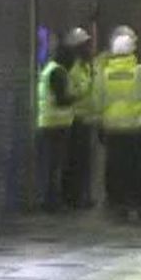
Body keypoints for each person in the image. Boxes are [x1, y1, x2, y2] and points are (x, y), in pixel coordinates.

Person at [93, 33, 141, 220]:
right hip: (137, 129)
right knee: (139, 167)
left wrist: (100, 124)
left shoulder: (103, 75)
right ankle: (138, 203)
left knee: (115, 167)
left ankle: (116, 202)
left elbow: (97, 102)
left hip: (113, 129)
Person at [33, 34, 79, 212]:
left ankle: (50, 200)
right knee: (54, 166)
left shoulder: (50, 69)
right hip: (55, 126)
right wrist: (76, 97)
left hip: (49, 124)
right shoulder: (58, 72)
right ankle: (51, 202)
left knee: (51, 166)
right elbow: (62, 99)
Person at [62, 27, 96, 209]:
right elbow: (72, 93)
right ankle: (73, 198)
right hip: (76, 121)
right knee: (76, 161)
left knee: (85, 162)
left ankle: (82, 195)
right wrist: (88, 86)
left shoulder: (87, 67)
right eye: (85, 45)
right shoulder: (74, 70)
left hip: (87, 120)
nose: (89, 49)